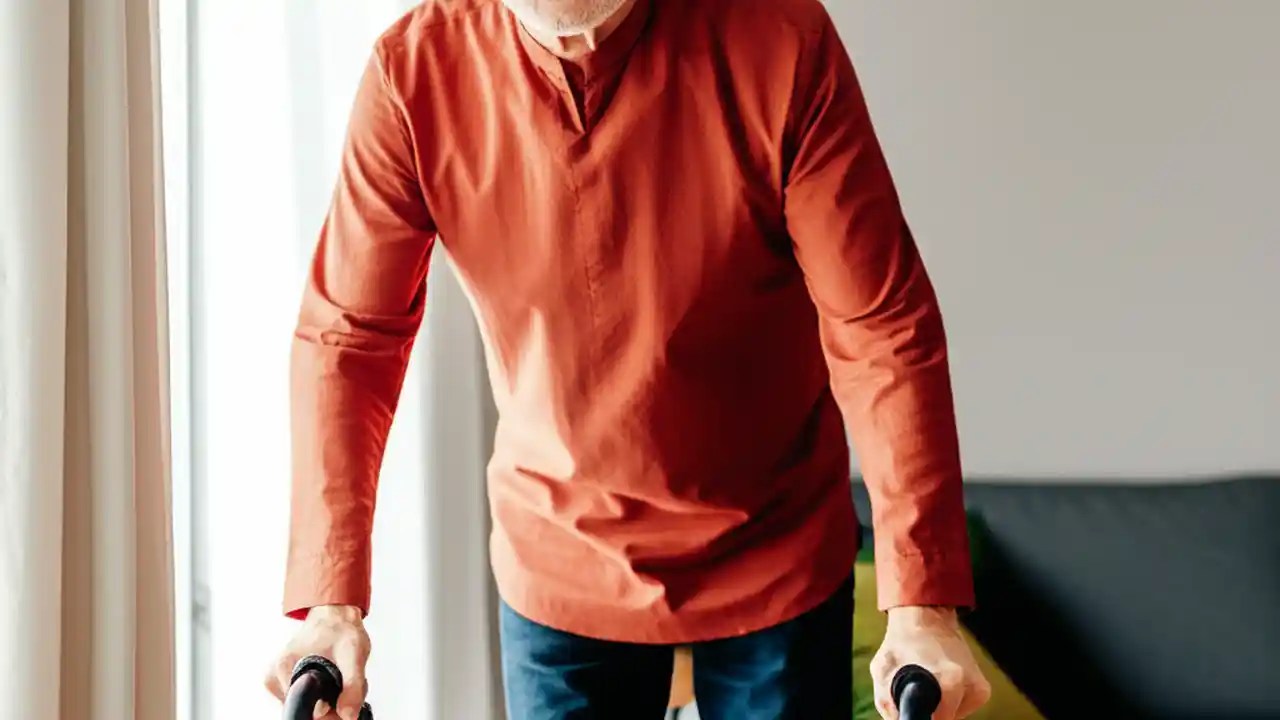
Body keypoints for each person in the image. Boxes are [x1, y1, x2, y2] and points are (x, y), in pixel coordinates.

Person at [264, 0, 992, 717]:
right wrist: (332, 602)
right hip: (560, 548)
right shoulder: (414, 71)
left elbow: (880, 329)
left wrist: (920, 603)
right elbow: (349, 339)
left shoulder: (781, 40)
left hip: (773, 542)